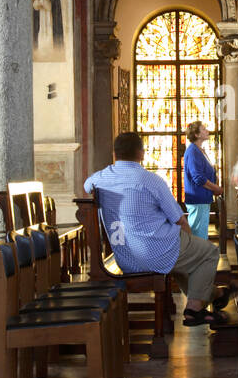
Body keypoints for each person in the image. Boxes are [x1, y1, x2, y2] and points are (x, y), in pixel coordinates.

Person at [85, 131, 228, 327]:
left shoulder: (98, 179)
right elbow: (179, 220)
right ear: (141, 153)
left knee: (184, 260)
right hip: (154, 251)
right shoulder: (150, 180)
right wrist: (186, 240)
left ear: (115, 154)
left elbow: (86, 187)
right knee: (208, 253)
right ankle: (194, 310)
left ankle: (216, 295)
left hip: (124, 256)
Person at [182, 121, 222, 238]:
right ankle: (197, 256)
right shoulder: (193, 151)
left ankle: (200, 256)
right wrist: (216, 188)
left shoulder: (199, 150)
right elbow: (198, 177)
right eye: (204, 129)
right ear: (197, 135)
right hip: (198, 198)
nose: (207, 131)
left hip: (203, 198)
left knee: (201, 234)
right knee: (198, 236)